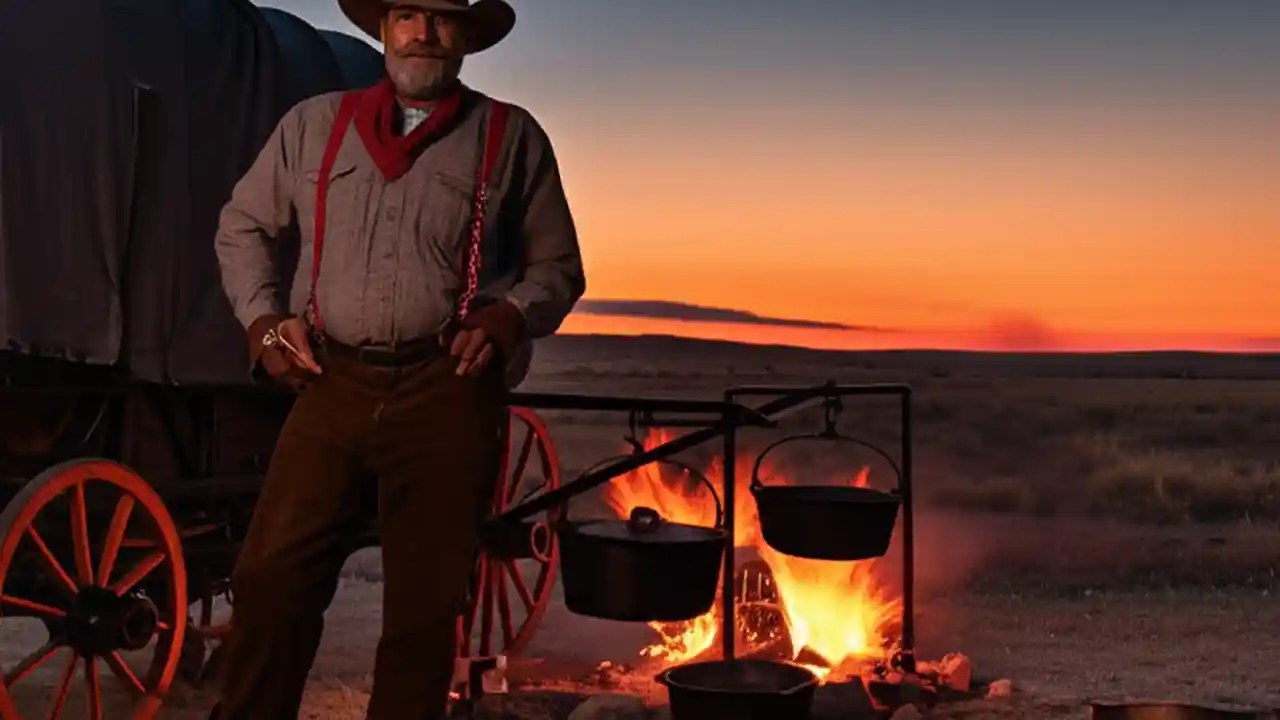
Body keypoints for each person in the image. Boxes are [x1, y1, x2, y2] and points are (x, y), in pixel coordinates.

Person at [210, 0, 585, 716]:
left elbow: (558, 266)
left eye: (443, 18)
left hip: (447, 390)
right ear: (383, 28)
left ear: (468, 37)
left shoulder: (510, 136)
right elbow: (243, 224)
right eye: (407, 13)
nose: (423, 32)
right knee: (270, 579)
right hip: (331, 381)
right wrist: (262, 321)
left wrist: (509, 315)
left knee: (424, 607)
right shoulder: (314, 125)